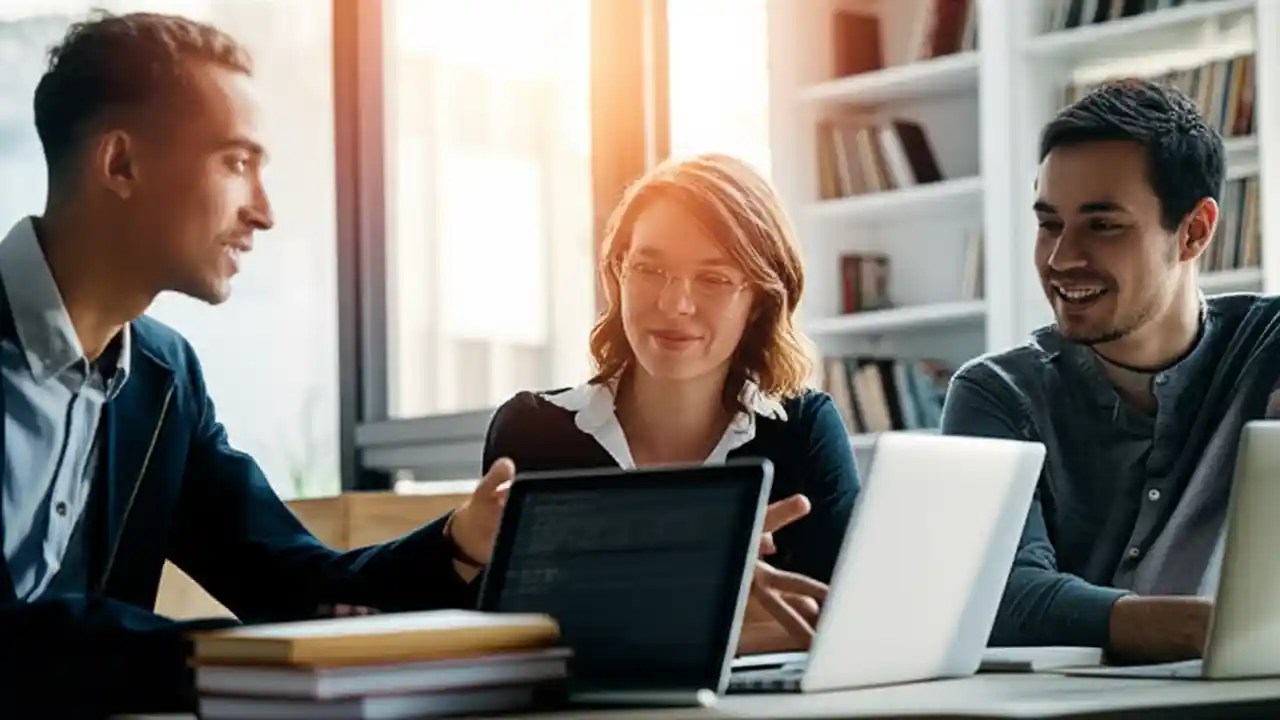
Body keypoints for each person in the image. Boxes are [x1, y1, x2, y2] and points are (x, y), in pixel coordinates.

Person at [0, 12, 822, 714]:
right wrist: (237, 658)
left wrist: (463, 543)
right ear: (121, 165)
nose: (265, 210)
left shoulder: (162, 381)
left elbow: (296, 586)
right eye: (236, 162)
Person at [940, 78, 1280, 664]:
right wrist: (1220, 629)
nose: (1061, 257)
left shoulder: (1267, 348)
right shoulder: (996, 394)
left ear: (1195, 230)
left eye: (1102, 225)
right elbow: (1000, 595)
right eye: (1049, 223)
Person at [481, 153, 861, 654]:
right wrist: (706, 599)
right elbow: (504, 641)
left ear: (760, 302)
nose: (674, 304)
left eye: (714, 278)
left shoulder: (802, 430)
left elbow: (838, 629)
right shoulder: (530, 433)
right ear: (617, 275)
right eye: (649, 268)